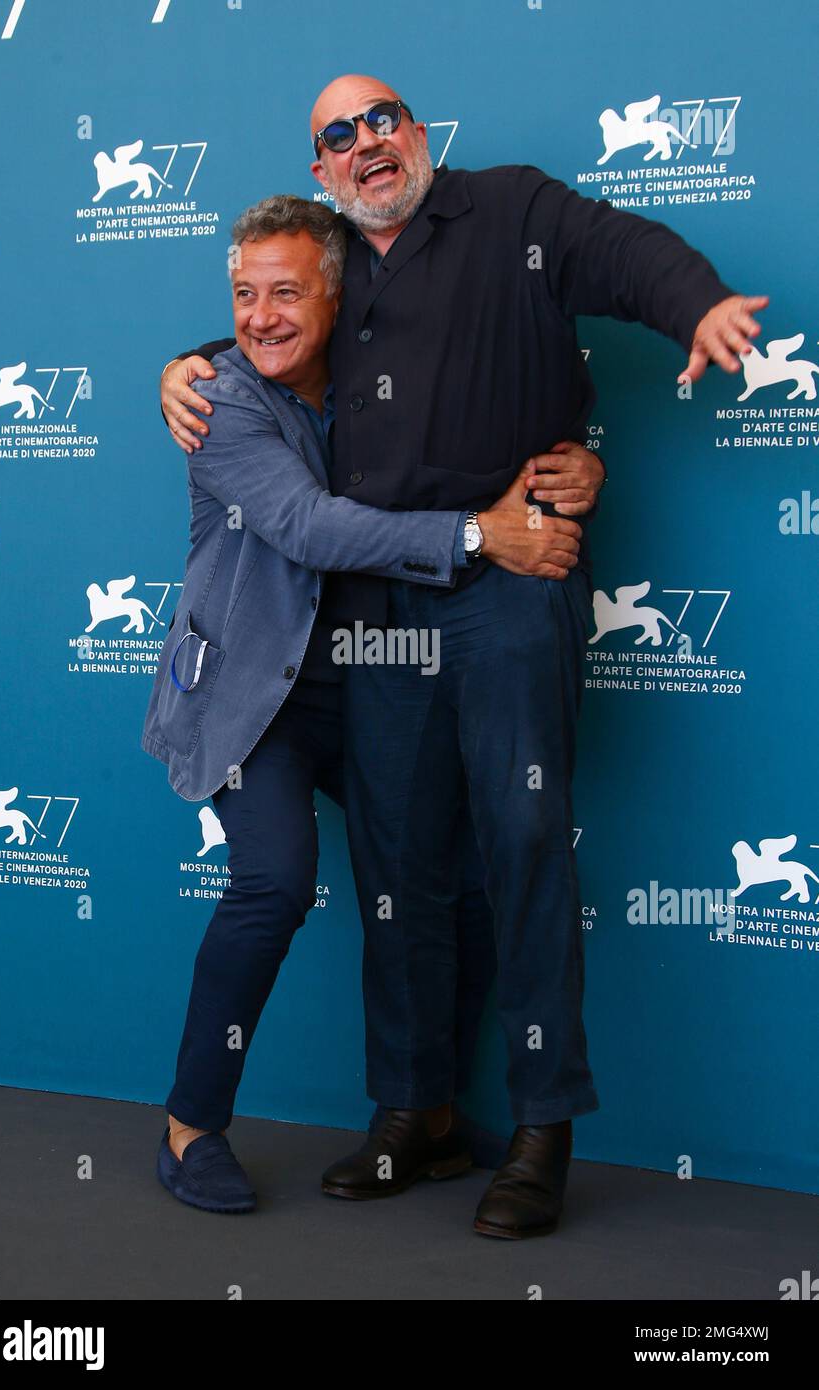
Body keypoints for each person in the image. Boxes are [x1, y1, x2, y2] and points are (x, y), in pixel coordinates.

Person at [161, 72, 763, 1239]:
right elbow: (276, 317)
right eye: (337, 136)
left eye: (379, 120)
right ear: (325, 168)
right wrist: (185, 362)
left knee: (524, 843)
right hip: (379, 604)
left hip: (511, 579)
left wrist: (692, 306)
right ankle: (416, 1115)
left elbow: (625, 253)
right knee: (394, 857)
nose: (363, 144)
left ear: (415, 134)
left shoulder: (515, 213)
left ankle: (540, 1129)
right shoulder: (334, 252)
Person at [144, 194, 604, 1214]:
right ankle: (190, 1125)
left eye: (285, 293)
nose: (259, 315)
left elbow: (501, 384)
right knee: (275, 880)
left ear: (341, 297)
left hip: (367, 685)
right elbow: (309, 526)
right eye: (241, 296)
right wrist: (482, 537)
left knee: (456, 862)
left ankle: (428, 1116)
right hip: (248, 704)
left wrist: (575, 458)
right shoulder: (218, 401)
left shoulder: (376, 378)